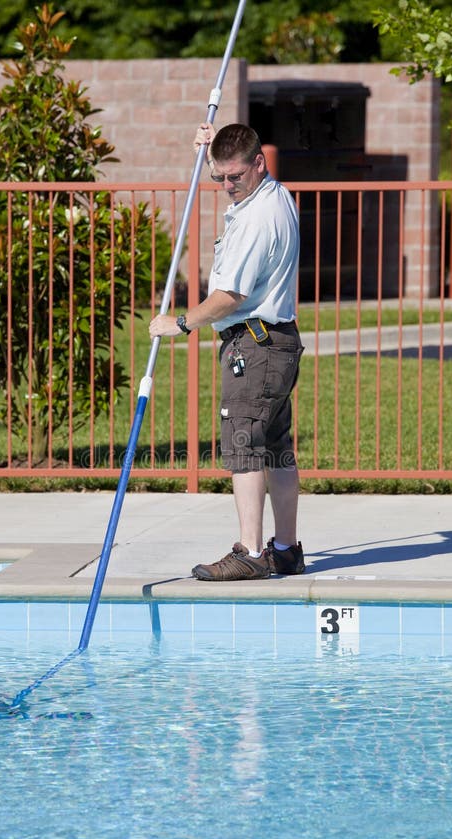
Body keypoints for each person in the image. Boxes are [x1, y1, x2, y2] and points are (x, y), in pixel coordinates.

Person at [149, 122, 305, 581]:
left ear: (260, 163)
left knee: (244, 446)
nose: (226, 186)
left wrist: (179, 323)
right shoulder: (271, 194)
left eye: (234, 176)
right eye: (219, 177)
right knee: (275, 448)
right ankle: (285, 548)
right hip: (275, 342)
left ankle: (252, 552)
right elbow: (236, 149)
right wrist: (211, 144)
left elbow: (229, 296)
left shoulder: (258, 218)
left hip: (254, 346)